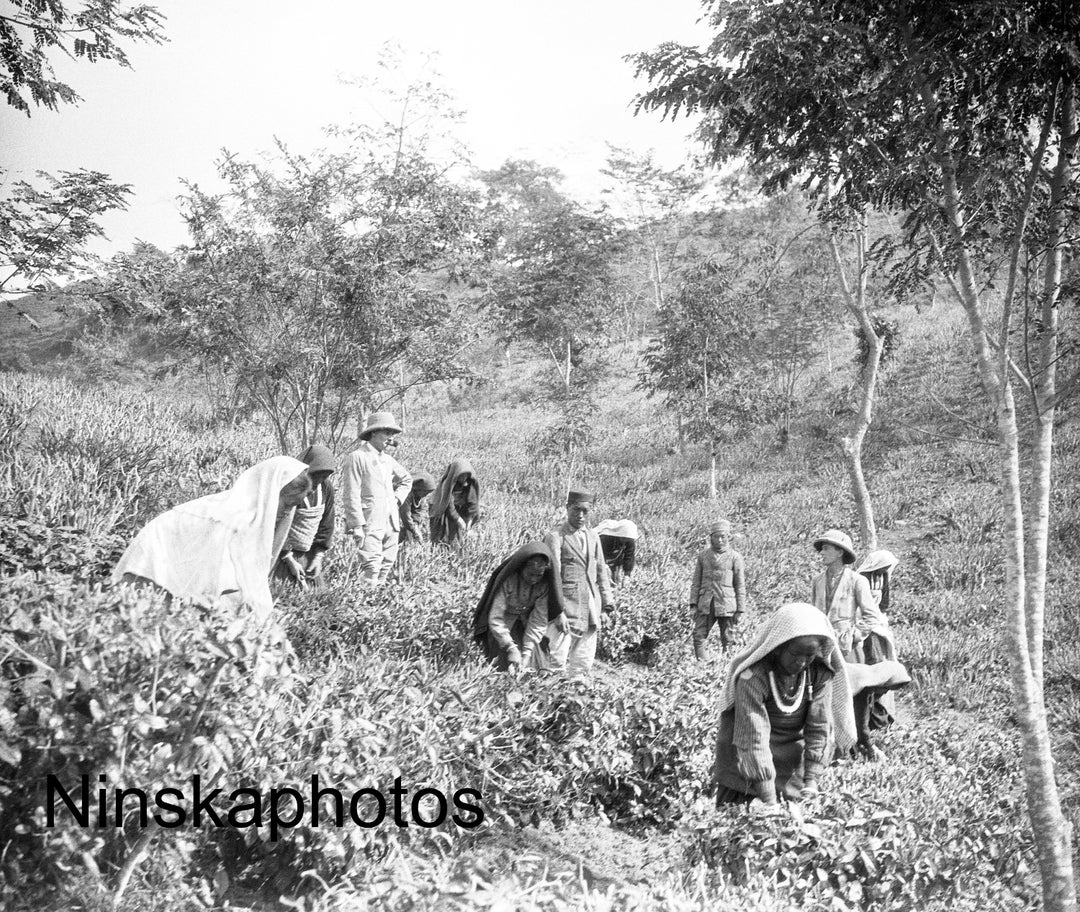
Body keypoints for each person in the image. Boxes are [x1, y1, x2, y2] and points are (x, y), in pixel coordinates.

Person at [113, 455, 311, 620]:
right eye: (287, 504)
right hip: (150, 565)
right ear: (271, 494)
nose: (288, 513)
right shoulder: (229, 520)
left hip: (169, 572)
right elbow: (212, 581)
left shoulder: (250, 520)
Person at [713, 602, 857, 808]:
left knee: (794, 822)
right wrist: (769, 801)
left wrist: (812, 781)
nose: (801, 662)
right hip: (745, 760)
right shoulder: (753, 677)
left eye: (809, 655)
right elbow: (753, 738)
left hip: (790, 760)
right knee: (739, 825)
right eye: (795, 654)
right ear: (778, 647)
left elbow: (820, 727)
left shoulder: (819, 674)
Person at [810, 529, 896, 760]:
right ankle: (834, 747)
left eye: (827, 548)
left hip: (849, 651)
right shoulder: (817, 581)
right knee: (823, 695)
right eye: (823, 548)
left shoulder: (857, 581)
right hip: (823, 648)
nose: (823, 553)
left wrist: (855, 635)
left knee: (856, 698)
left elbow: (871, 616)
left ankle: (863, 743)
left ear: (840, 552)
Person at [542, 489, 616, 681]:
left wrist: (606, 607)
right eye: (576, 510)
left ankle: (576, 698)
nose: (580, 515)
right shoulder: (556, 536)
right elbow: (552, 576)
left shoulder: (593, 537)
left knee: (582, 662)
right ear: (567, 509)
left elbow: (602, 572)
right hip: (566, 605)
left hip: (590, 606)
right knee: (555, 661)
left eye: (585, 511)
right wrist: (558, 612)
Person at [472, 541, 570, 671]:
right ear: (522, 568)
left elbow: (538, 620)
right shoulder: (508, 581)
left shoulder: (544, 585)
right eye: (530, 574)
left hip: (526, 625)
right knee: (502, 667)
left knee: (534, 665)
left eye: (538, 575)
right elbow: (496, 618)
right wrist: (510, 647)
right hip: (502, 628)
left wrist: (527, 652)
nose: (534, 579)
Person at [341, 411, 413, 586]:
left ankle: (377, 602)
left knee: (387, 563)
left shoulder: (387, 460)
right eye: (386, 433)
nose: (390, 439)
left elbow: (406, 480)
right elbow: (351, 493)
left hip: (391, 520)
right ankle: (366, 602)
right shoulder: (357, 457)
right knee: (371, 565)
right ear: (373, 433)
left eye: (392, 434)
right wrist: (357, 524)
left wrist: (396, 500)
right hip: (370, 519)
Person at [274, 445, 337, 588]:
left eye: (324, 477)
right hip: (282, 553)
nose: (318, 481)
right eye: (315, 475)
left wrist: (318, 557)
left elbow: (327, 523)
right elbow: (276, 523)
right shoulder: (292, 486)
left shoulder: (326, 488)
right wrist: (288, 558)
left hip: (308, 555)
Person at [690, 519, 747, 660]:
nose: (720, 540)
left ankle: (726, 669)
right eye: (716, 536)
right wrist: (693, 604)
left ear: (728, 537)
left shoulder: (735, 557)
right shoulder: (703, 556)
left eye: (723, 536)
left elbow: (740, 585)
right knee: (698, 635)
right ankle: (703, 667)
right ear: (711, 538)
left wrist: (740, 610)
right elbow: (696, 582)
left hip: (727, 604)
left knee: (728, 639)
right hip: (706, 603)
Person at [429, 458, 481, 546]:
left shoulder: (469, 483)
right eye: (461, 476)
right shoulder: (448, 484)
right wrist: (459, 520)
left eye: (466, 476)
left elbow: (472, 503)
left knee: (459, 540)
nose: (464, 478)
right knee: (443, 538)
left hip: (461, 510)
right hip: (445, 513)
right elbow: (449, 506)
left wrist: (469, 519)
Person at [595, 519, 638, 585]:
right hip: (598, 562)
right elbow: (598, 555)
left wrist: (627, 575)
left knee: (614, 584)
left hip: (616, 562)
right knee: (602, 583)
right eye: (623, 538)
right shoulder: (605, 538)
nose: (625, 539)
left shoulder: (629, 541)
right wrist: (605, 569)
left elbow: (629, 557)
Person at [399, 472, 437, 545]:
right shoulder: (406, 494)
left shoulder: (420, 497)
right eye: (426, 492)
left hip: (406, 521)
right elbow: (405, 515)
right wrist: (414, 530)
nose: (426, 495)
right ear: (418, 489)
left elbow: (419, 511)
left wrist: (417, 525)